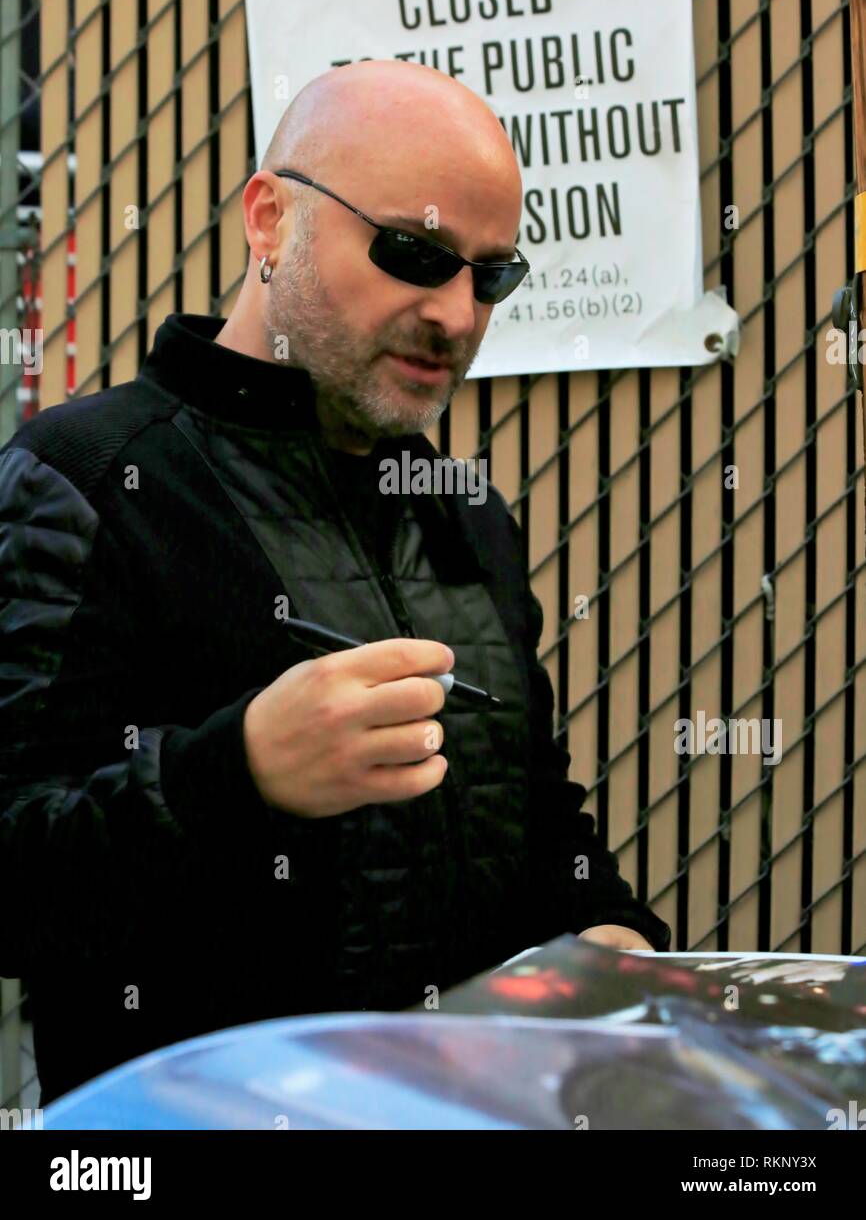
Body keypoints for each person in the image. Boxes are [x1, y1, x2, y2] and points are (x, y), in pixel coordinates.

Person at [0, 60, 670, 1107]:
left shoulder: (462, 513)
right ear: (270, 221)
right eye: (413, 253)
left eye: (491, 277)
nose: (455, 314)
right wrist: (236, 772)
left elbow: (533, 815)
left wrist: (609, 935)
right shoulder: (85, 479)